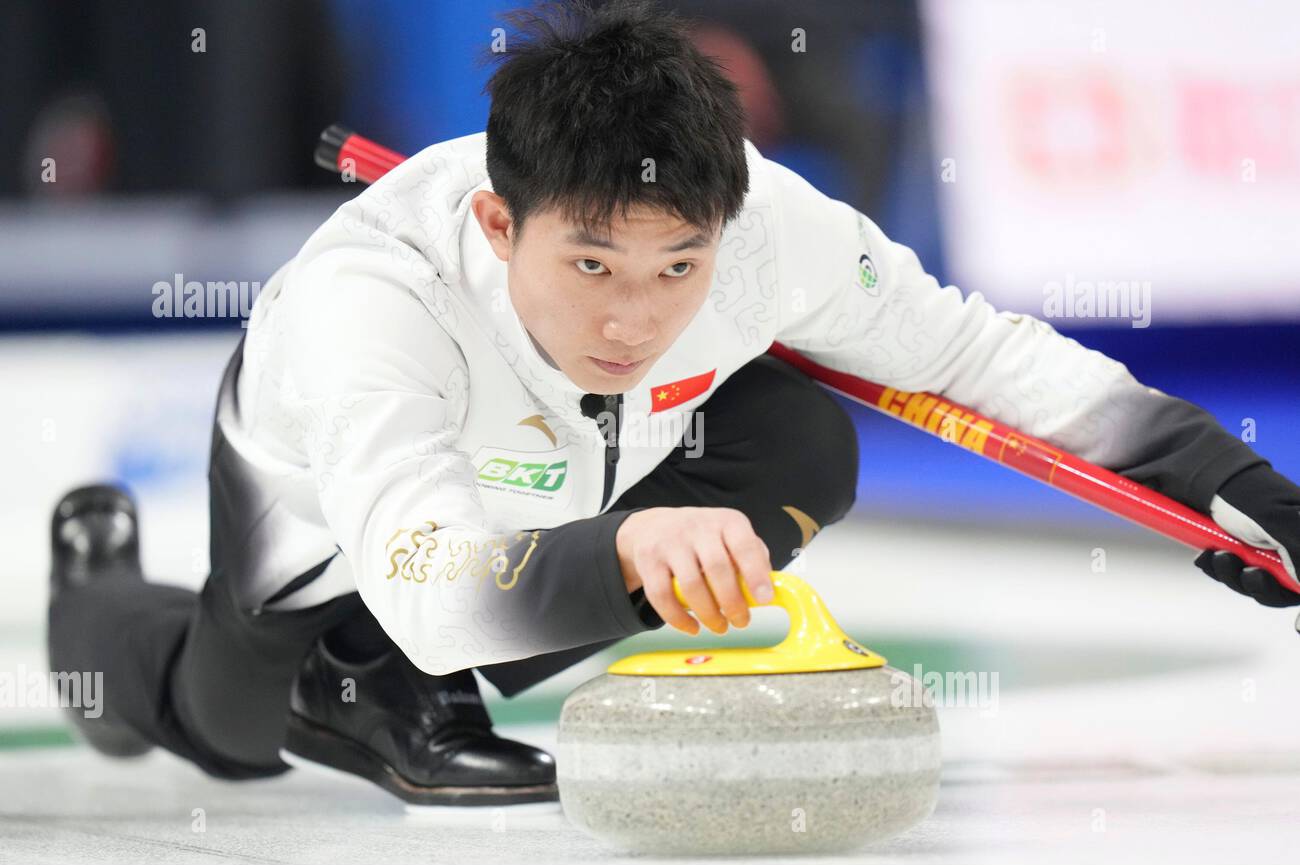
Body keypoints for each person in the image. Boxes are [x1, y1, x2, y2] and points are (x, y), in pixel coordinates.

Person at [46, 0, 1300, 808]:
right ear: (498, 219)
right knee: (227, 729)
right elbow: (430, 585)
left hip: (551, 501)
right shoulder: (372, 301)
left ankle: (382, 685)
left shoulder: (771, 229)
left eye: (677, 270)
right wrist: (626, 547)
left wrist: (1240, 489)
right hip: (335, 525)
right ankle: (100, 597)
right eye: (589, 265)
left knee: (797, 437)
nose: (633, 320)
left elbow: (980, 357)